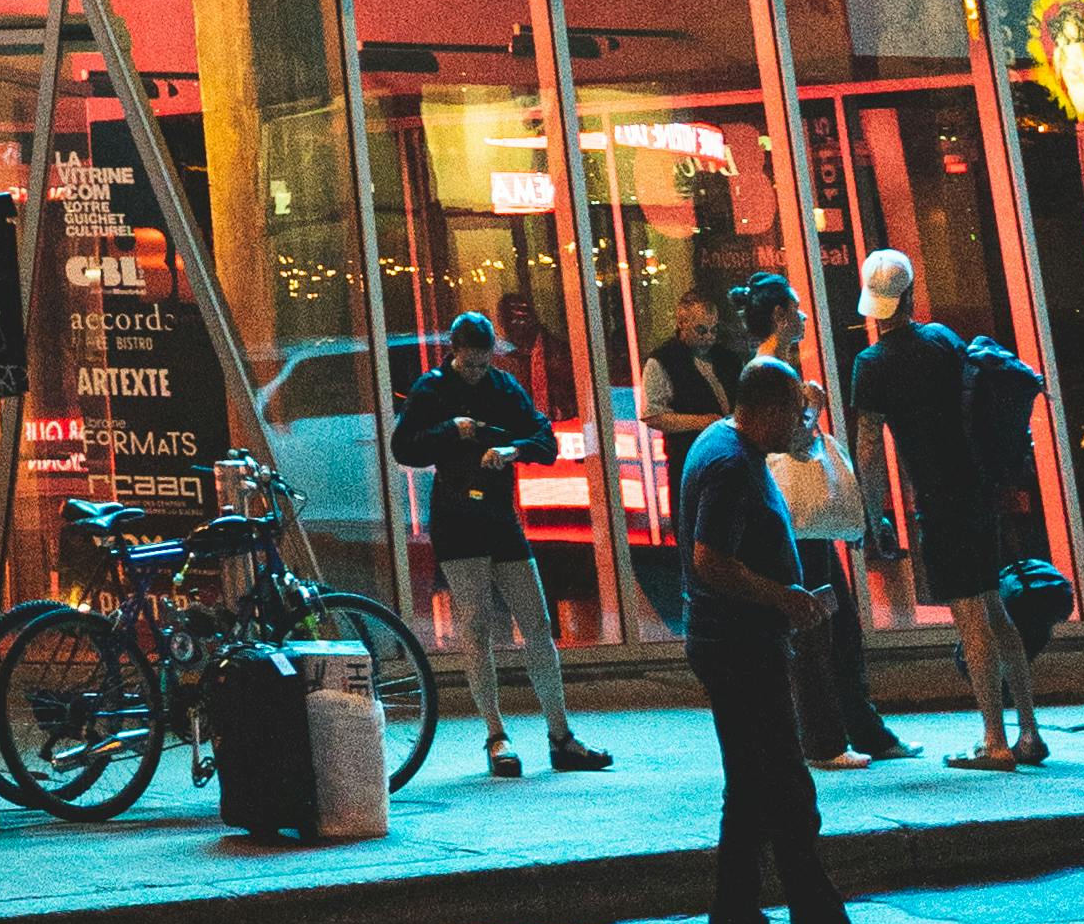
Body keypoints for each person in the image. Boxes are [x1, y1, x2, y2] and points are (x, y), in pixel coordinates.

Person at [682, 355, 892, 924]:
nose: (802, 426)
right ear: (769, 410)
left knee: (750, 795)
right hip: (740, 647)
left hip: (734, 641)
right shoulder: (730, 465)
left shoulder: (722, 445)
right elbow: (710, 559)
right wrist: (786, 599)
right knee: (790, 798)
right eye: (797, 415)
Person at [384, 309, 612, 781]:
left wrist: (511, 450)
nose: (476, 371)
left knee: (536, 622)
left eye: (483, 363)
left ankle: (558, 734)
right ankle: (498, 732)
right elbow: (403, 447)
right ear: (455, 352)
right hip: (457, 514)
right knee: (476, 626)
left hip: (495, 514)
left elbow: (544, 439)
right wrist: (453, 431)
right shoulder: (433, 389)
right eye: (470, 363)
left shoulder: (501, 385)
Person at [849, 246, 1046, 770]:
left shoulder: (871, 365)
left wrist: (873, 513)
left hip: (939, 501)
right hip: (979, 490)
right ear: (910, 295)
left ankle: (994, 742)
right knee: (995, 609)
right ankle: (1029, 732)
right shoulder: (943, 339)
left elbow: (868, 449)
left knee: (970, 619)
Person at [729, 276, 901, 764]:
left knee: (834, 622)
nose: (804, 316)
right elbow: (790, 441)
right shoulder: (771, 371)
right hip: (796, 519)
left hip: (799, 520)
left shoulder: (768, 368)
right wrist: (814, 408)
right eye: (797, 308)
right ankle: (828, 737)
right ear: (780, 316)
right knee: (821, 625)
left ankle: (858, 729)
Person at [634, 294, 733, 630]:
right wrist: (701, 421)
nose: (709, 337)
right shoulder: (662, 361)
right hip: (690, 462)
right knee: (696, 539)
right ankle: (705, 618)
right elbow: (653, 415)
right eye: (702, 330)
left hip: (725, 458)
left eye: (714, 330)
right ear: (682, 323)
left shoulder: (725, 358)